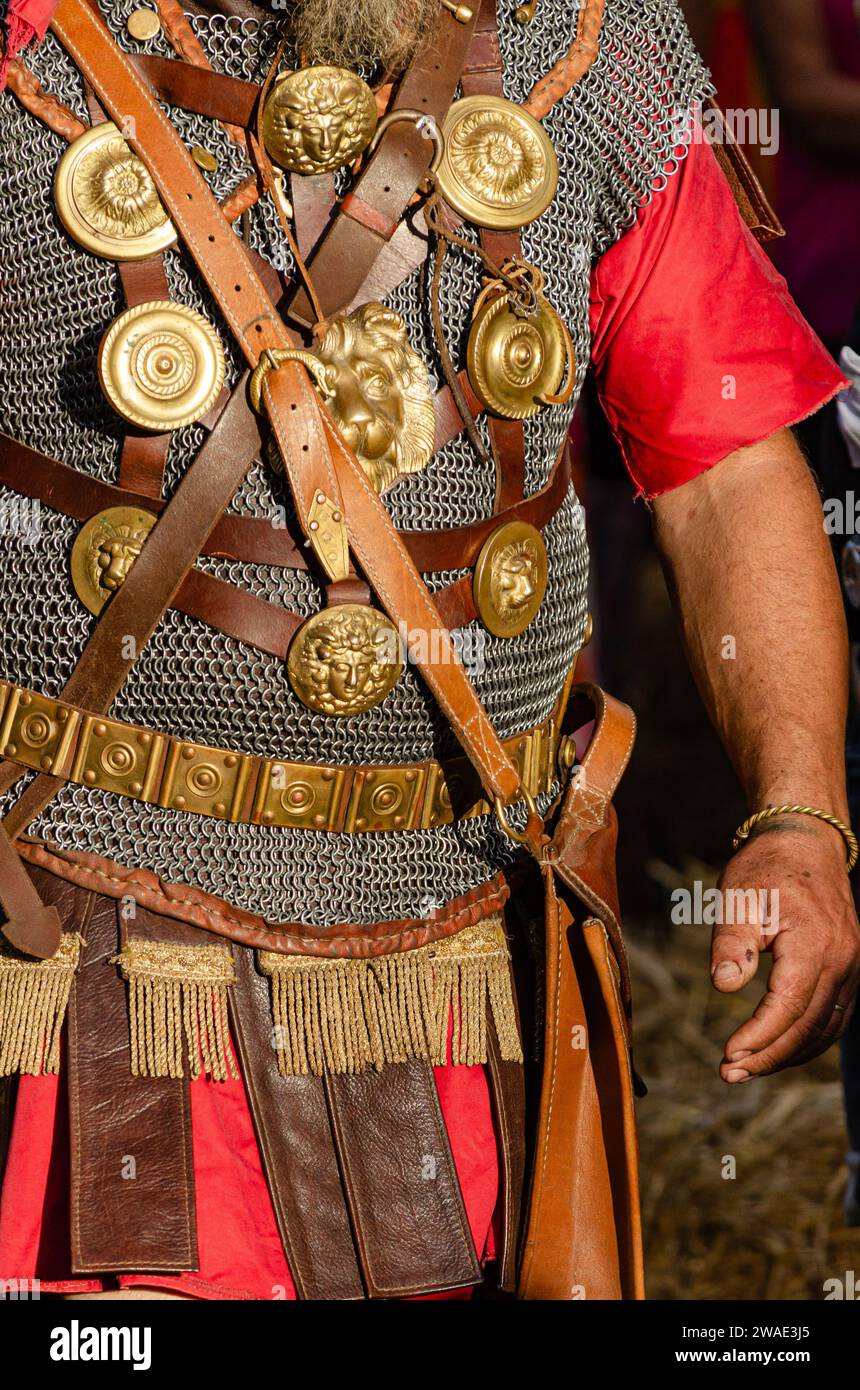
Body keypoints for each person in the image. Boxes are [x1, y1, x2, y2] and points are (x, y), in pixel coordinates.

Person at [0, 0, 857, 1301]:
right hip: (80, 938)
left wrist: (803, 813)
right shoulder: (23, 47)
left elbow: (728, 461)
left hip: (465, 955)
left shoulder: (587, 49)